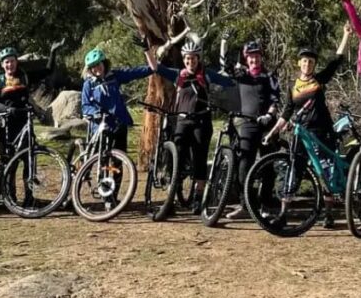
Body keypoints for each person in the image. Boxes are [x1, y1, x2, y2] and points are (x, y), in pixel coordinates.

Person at [149, 34, 232, 208]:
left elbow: (228, 82)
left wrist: (235, 72)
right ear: (184, 59)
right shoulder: (179, 75)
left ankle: (198, 195)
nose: (190, 61)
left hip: (201, 121)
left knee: (200, 159)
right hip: (182, 120)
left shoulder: (207, 74)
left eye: (193, 58)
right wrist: (146, 50)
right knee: (176, 156)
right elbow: (156, 67)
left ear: (198, 58)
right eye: (187, 58)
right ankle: (172, 194)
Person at [224, 39, 281, 219]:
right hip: (247, 125)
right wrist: (225, 42)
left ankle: (266, 205)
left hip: (266, 125)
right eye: (251, 57)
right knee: (244, 166)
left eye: (256, 57)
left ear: (260, 58)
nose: (254, 60)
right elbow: (224, 66)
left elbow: (275, 100)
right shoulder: (241, 75)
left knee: (268, 166)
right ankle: (245, 205)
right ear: (246, 59)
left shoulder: (269, 77)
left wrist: (270, 115)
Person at [275, 28, 351, 150]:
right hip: (301, 131)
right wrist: (273, 131)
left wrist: (346, 35)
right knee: (297, 163)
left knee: (324, 167)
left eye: (311, 62)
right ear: (299, 63)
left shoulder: (319, 79)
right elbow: (287, 111)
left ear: (314, 64)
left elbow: (337, 61)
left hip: (322, 130)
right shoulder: (292, 85)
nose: (307, 64)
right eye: (305, 61)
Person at [80, 46, 155, 156]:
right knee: (98, 156)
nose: (96, 68)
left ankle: (116, 172)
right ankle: (86, 170)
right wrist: (95, 113)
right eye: (93, 67)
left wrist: (152, 68)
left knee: (118, 159)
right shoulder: (88, 84)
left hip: (119, 123)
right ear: (90, 69)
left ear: (104, 63)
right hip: (100, 125)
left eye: (98, 64)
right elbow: (85, 105)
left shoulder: (115, 76)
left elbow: (134, 72)